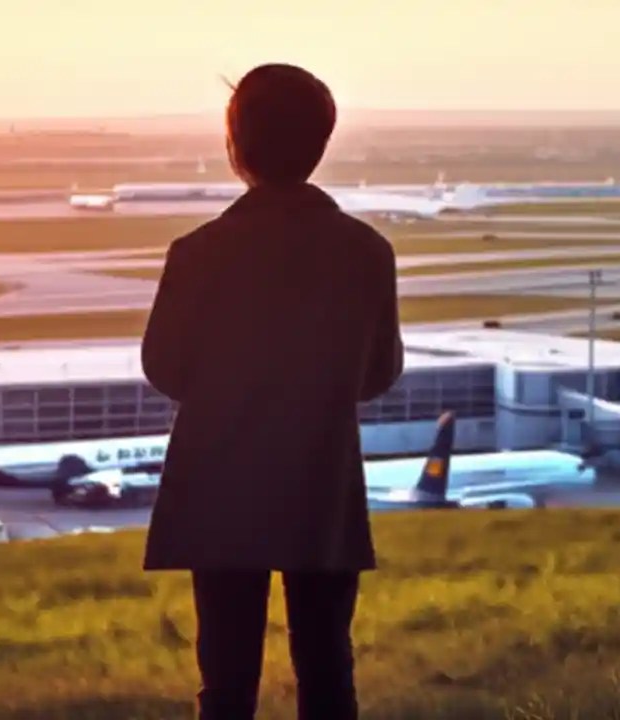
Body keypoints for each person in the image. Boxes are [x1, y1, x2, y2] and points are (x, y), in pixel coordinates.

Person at [140, 63, 404, 720]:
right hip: (320, 481)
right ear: (321, 144)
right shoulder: (367, 250)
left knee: (226, 682)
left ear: (235, 146)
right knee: (328, 668)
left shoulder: (197, 251)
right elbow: (380, 373)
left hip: (221, 486)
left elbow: (164, 368)